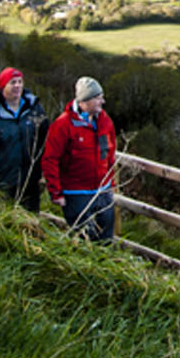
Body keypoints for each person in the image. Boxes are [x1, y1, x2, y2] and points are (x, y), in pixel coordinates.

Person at [42, 75, 117, 241]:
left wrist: (110, 184)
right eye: (98, 98)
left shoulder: (105, 122)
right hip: (76, 194)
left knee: (106, 240)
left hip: (103, 193)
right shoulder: (63, 125)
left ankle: (103, 267)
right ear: (85, 101)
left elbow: (110, 154)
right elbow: (50, 159)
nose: (102, 102)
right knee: (83, 241)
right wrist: (56, 192)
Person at [0, 66, 47, 210]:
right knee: (5, 224)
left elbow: (45, 139)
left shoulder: (35, 110)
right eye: (12, 82)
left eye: (20, 81)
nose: (17, 86)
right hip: (1, 184)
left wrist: (44, 172)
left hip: (30, 184)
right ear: (3, 86)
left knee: (30, 224)